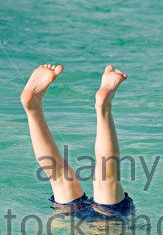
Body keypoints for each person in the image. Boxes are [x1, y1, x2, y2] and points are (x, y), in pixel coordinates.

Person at [20, 64, 134, 217]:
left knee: (105, 180)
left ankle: (103, 108)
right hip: (84, 226)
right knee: (59, 177)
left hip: (106, 227)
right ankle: (34, 110)